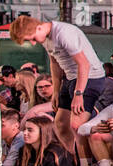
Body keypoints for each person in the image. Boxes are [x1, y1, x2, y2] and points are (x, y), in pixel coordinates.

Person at [9, 14, 107, 150]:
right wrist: (56, 91)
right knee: (60, 123)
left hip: (90, 77)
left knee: (76, 125)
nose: (33, 43)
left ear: (38, 28)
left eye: (32, 39)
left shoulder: (63, 33)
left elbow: (84, 64)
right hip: (70, 77)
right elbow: (54, 63)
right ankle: (71, 160)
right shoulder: (45, 38)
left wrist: (79, 94)